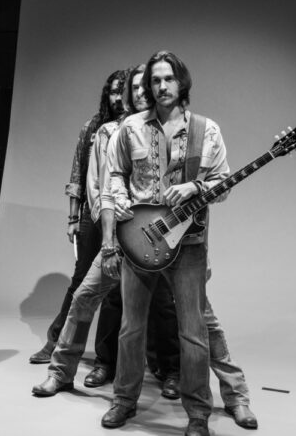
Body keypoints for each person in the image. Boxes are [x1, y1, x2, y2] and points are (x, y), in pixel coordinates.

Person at [98, 50, 230, 436]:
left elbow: (223, 184)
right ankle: (124, 401)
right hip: (139, 241)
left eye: (168, 79)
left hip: (189, 243)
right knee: (131, 328)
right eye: (155, 80)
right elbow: (114, 178)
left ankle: (198, 414)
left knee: (193, 331)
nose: (161, 87)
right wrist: (116, 230)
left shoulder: (207, 130)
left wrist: (196, 186)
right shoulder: (131, 127)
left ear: (181, 82)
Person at [32, 64, 147, 396]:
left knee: (115, 293)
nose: (118, 96)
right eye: (112, 90)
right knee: (81, 280)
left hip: (126, 217)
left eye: (122, 90)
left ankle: (104, 362)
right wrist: (73, 217)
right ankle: (56, 346)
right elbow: (80, 173)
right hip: (92, 212)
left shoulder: (139, 128)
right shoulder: (95, 128)